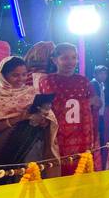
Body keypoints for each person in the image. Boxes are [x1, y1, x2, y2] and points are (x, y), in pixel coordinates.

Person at [0, 57, 58, 183]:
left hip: (33, 147)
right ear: (3, 75)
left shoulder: (31, 92)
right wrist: (17, 119)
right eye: (15, 75)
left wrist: (43, 120)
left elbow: (47, 119)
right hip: (4, 147)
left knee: (33, 181)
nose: (21, 79)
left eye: (24, 74)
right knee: (8, 185)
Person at [41, 43, 99, 175]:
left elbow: (97, 103)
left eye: (74, 58)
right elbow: (48, 107)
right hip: (58, 139)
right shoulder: (47, 81)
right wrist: (86, 102)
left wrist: (93, 102)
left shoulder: (83, 81)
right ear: (54, 60)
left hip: (83, 139)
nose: (70, 62)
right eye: (65, 58)